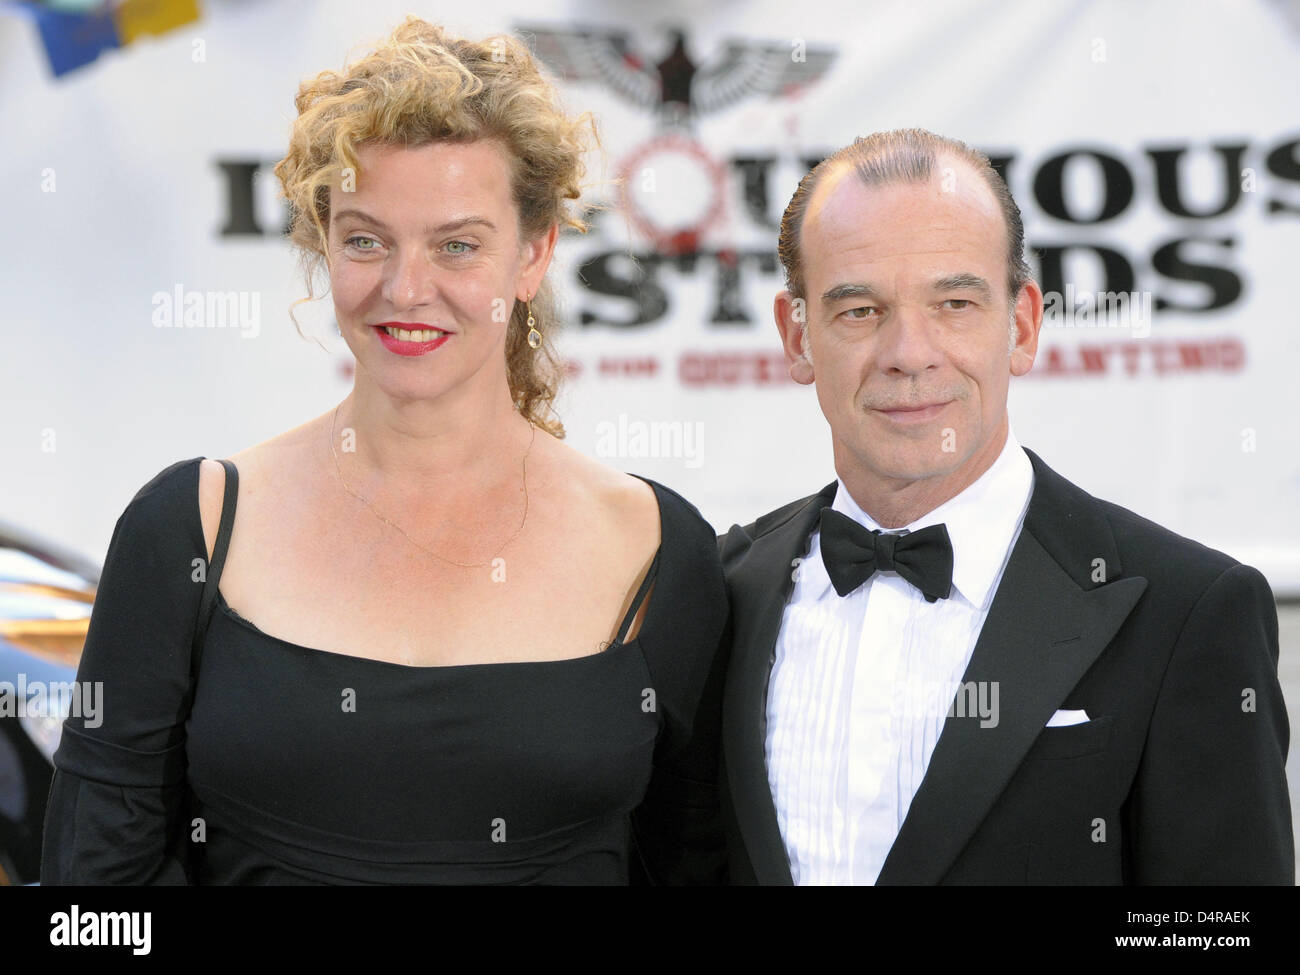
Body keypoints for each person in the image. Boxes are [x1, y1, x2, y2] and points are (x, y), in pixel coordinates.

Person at [41, 16, 728, 885]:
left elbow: (697, 867)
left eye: (457, 245)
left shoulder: (658, 547)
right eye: (367, 238)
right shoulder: (193, 526)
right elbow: (90, 901)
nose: (406, 288)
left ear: (535, 252)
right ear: (322, 240)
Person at [718, 127, 1293, 884]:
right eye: (860, 311)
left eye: (954, 303)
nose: (910, 352)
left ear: (1021, 325)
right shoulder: (721, 593)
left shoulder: (1187, 611)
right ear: (797, 337)